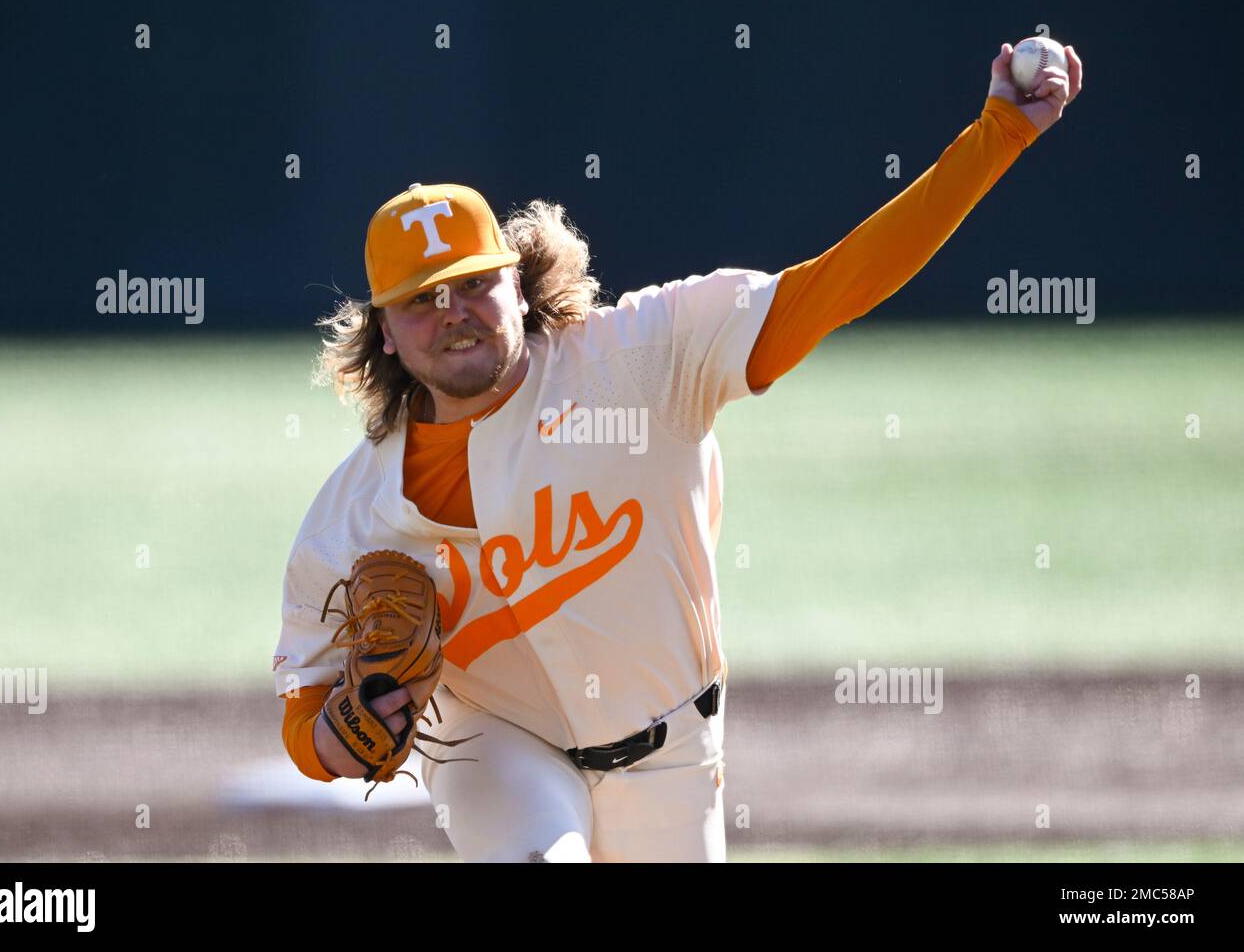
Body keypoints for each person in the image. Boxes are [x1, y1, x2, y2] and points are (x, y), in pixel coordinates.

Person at [272, 43, 1083, 862]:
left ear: (517, 282)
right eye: (422, 300)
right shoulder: (358, 509)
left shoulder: (647, 356)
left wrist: (1000, 133)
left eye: (476, 282)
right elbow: (305, 708)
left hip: (674, 751)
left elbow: (841, 281)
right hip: (494, 743)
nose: (455, 312)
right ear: (384, 332)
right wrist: (336, 744)